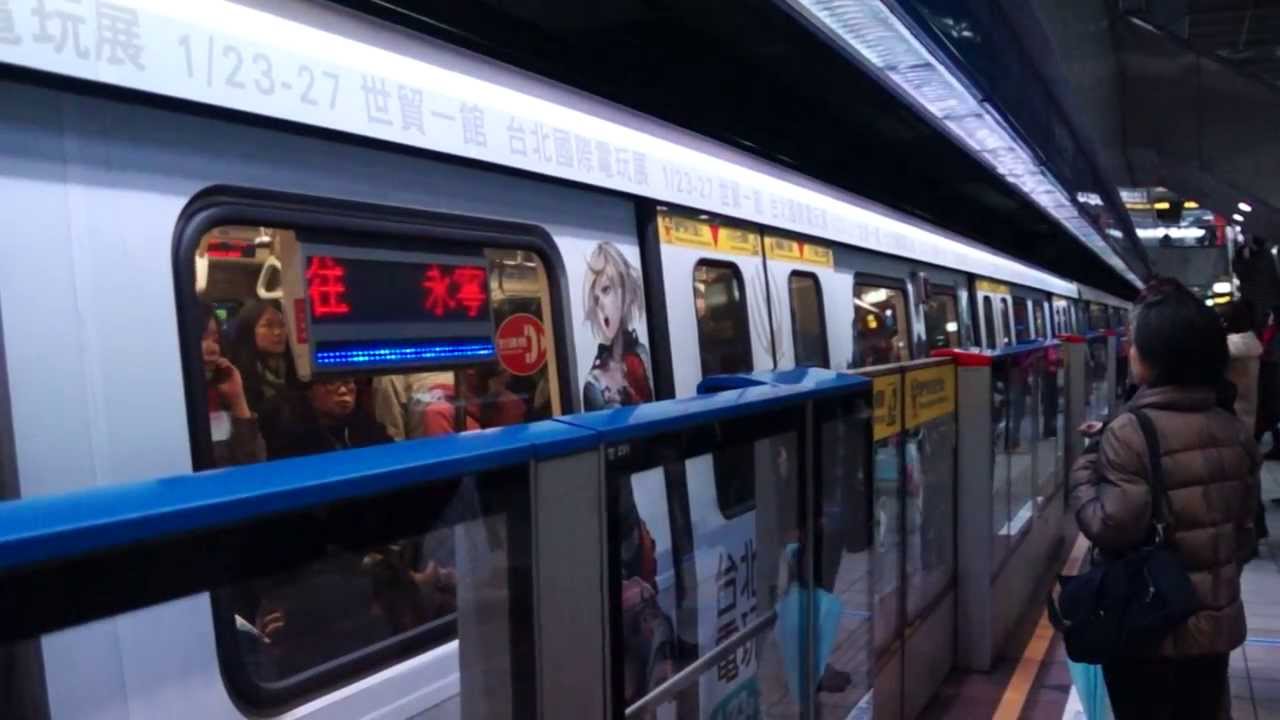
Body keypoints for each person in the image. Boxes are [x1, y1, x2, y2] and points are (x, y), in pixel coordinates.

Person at [1069, 280, 1259, 720]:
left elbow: (1108, 526)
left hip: (1149, 627)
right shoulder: (1231, 428)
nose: (1128, 351)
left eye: (1135, 344)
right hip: (1214, 627)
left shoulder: (1130, 429)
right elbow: (1244, 535)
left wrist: (1085, 467)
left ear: (1156, 358)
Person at [582, 242, 654, 410]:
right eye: (596, 298)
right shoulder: (594, 382)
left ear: (626, 291)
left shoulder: (641, 355)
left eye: (606, 290)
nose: (600, 306)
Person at [199, 304, 266, 467]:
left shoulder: (222, 395)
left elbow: (254, 463)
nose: (213, 348)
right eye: (201, 339)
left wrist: (238, 400)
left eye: (215, 340)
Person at [266, 377, 393, 458]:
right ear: (310, 392)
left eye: (348, 382)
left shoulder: (365, 424)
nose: (343, 391)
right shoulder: (292, 437)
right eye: (330, 383)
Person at [227, 299, 299, 419]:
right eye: (268, 325)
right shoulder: (237, 377)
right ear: (249, 331)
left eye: (282, 325)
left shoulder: (297, 371)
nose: (278, 332)